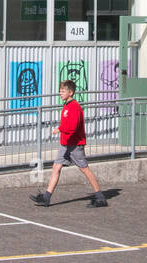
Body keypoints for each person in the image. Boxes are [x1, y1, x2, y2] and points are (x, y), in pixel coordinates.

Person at [31, 80, 107, 208]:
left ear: (70, 92)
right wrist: (61, 129)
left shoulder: (74, 106)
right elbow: (67, 124)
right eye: (60, 91)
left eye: (63, 91)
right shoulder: (66, 105)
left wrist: (60, 129)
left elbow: (73, 127)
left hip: (75, 145)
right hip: (65, 144)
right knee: (56, 167)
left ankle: (100, 198)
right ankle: (46, 198)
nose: (60, 93)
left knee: (84, 169)